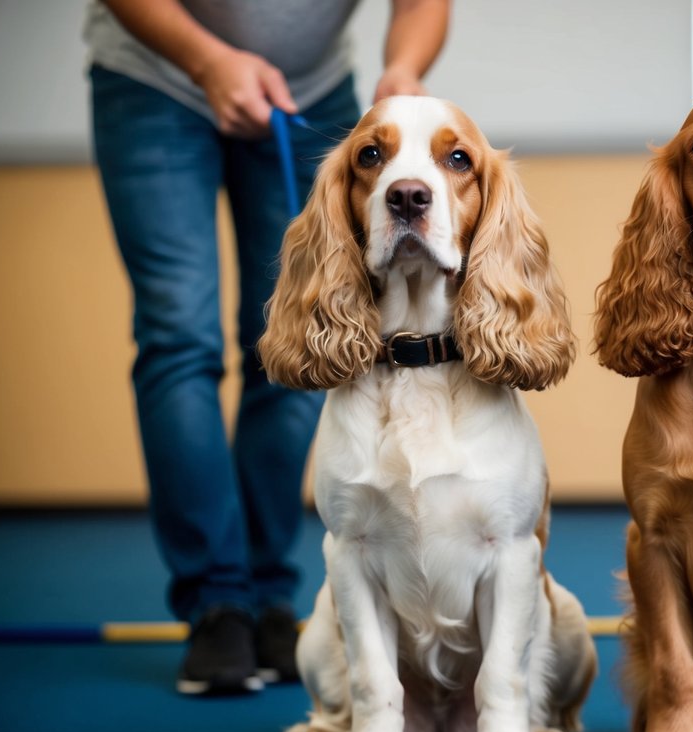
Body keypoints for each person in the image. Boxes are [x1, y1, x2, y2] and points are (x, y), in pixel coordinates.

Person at [85, 0, 451, 695]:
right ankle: (217, 602)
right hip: (154, 80)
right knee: (178, 336)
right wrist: (206, 60)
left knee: (302, 332)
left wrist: (403, 70)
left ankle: (270, 591)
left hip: (309, 90)